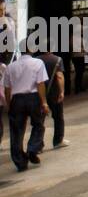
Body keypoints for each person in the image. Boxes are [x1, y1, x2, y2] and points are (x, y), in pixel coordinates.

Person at [4, 42, 49, 171]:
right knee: (38, 125)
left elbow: (7, 89)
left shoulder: (10, 67)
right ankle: (32, 148)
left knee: (16, 131)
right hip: (33, 97)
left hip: (16, 99)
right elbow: (40, 84)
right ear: (31, 50)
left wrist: (9, 104)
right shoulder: (38, 63)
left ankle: (20, 161)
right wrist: (44, 102)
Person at [35, 41, 66, 149]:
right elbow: (59, 76)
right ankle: (58, 141)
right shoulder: (57, 59)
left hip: (39, 94)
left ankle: (38, 145)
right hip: (54, 93)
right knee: (58, 117)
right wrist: (62, 91)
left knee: (40, 120)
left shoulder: (36, 60)